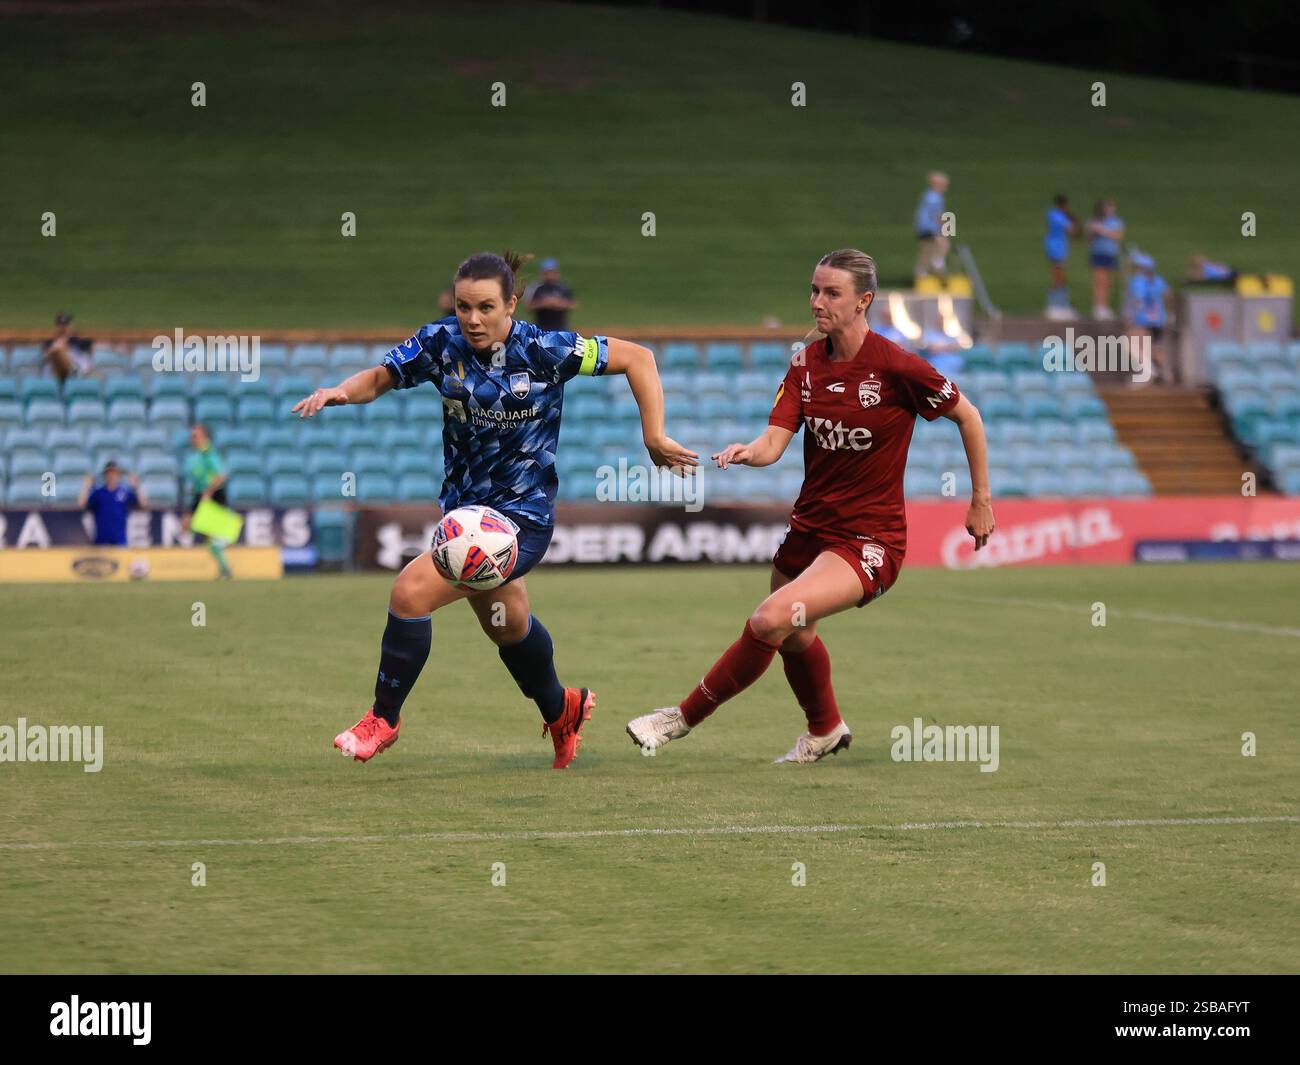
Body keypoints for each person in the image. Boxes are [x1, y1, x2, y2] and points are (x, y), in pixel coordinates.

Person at [292, 251, 697, 769]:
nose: (473, 318)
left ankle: (383, 719)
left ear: (511, 304)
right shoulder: (441, 343)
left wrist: (654, 436)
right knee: (507, 623)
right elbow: (381, 377)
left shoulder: (547, 349)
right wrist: (338, 394)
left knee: (410, 593)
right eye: (463, 306)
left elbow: (637, 357)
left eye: (486, 307)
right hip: (465, 512)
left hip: (522, 519)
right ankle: (562, 709)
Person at [626, 249, 994, 763]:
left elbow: (969, 417)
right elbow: (774, 443)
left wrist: (979, 500)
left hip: (870, 540)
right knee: (795, 634)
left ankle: (678, 719)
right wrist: (747, 452)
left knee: (770, 620)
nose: (818, 302)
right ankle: (825, 728)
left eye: (832, 293)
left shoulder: (896, 366)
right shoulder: (804, 364)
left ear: (863, 301)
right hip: (809, 530)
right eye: (815, 290)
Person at [181, 423, 233, 579]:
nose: (193, 439)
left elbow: (222, 475)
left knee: (198, 529)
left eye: (195, 435)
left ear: (204, 437)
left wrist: (208, 491)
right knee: (191, 527)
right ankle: (223, 565)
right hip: (200, 494)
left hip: (210, 495)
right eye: (192, 436)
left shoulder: (208, 453)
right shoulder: (196, 456)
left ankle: (224, 566)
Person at [1126, 251, 1172, 384]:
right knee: (1154, 347)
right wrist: (1169, 315)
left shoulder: (1137, 282)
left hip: (1142, 320)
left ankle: (1149, 370)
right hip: (1158, 320)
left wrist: (1130, 319)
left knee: (1130, 344)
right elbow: (1168, 295)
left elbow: (1137, 301)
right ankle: (1167, 373)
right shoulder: (1159, 280)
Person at [79, 461, 146, 546]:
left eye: (114, 473)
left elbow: (142, 503)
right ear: (105, 475)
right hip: (101, 543)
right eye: (109, 473)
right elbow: (82, 504)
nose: (111, 476)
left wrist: (137, 485)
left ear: (118, 475)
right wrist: (86, 485)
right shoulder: (99, 493)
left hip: (120, 542)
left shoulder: (124, 492)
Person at [1086, 198, 1125, 319]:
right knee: (1099, 280)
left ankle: (1105, 306)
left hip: (1111, 253)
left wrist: (1103, 231)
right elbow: (1088, 237)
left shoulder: (1116, 222)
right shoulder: (1094, 221)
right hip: (1098, 252)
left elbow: (1119, 235)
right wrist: (1092, 230)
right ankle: (1098, 306)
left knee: (1108, 281)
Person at [1044, 194, 1080, 320]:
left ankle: (1060, 305)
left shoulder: (1054, 214)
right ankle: (1055, 306)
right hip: (1055, 247)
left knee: (1061, 276)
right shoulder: (1056, 215)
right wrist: (1074, 221)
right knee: (1058, 276)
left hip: (1060, 247)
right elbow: (1072, 230)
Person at [913, 171, 950, 282]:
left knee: (927, 249)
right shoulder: (935, 197)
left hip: (922, 226)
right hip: (930, 227)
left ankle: (921, 270)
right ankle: (937, 262)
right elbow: (938, 214)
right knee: (944, 244)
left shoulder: (928, 194)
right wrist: (945, 228)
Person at [523, 258, 577, 330]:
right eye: (547, 273)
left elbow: (572, 304)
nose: (550, 275)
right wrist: (544, 303)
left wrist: (558, 303)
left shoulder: (563, 287)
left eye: (552, 272)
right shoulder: (536, 287)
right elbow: (529, 305)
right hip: (541, 328)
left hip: (561, 327)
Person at [43, 312, 94, 384]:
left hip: (78, 374)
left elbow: (91, 345)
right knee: (57, 350)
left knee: (58, 349)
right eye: (61, 324)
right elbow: (45, 357)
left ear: (71, 326)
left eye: (66, 324)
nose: (63, 327)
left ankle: (73, 371)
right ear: (56, 326)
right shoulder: (50, 342)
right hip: (55, 374)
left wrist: (66, 341)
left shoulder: (77, 341)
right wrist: (58, 345)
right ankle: (73, 370)